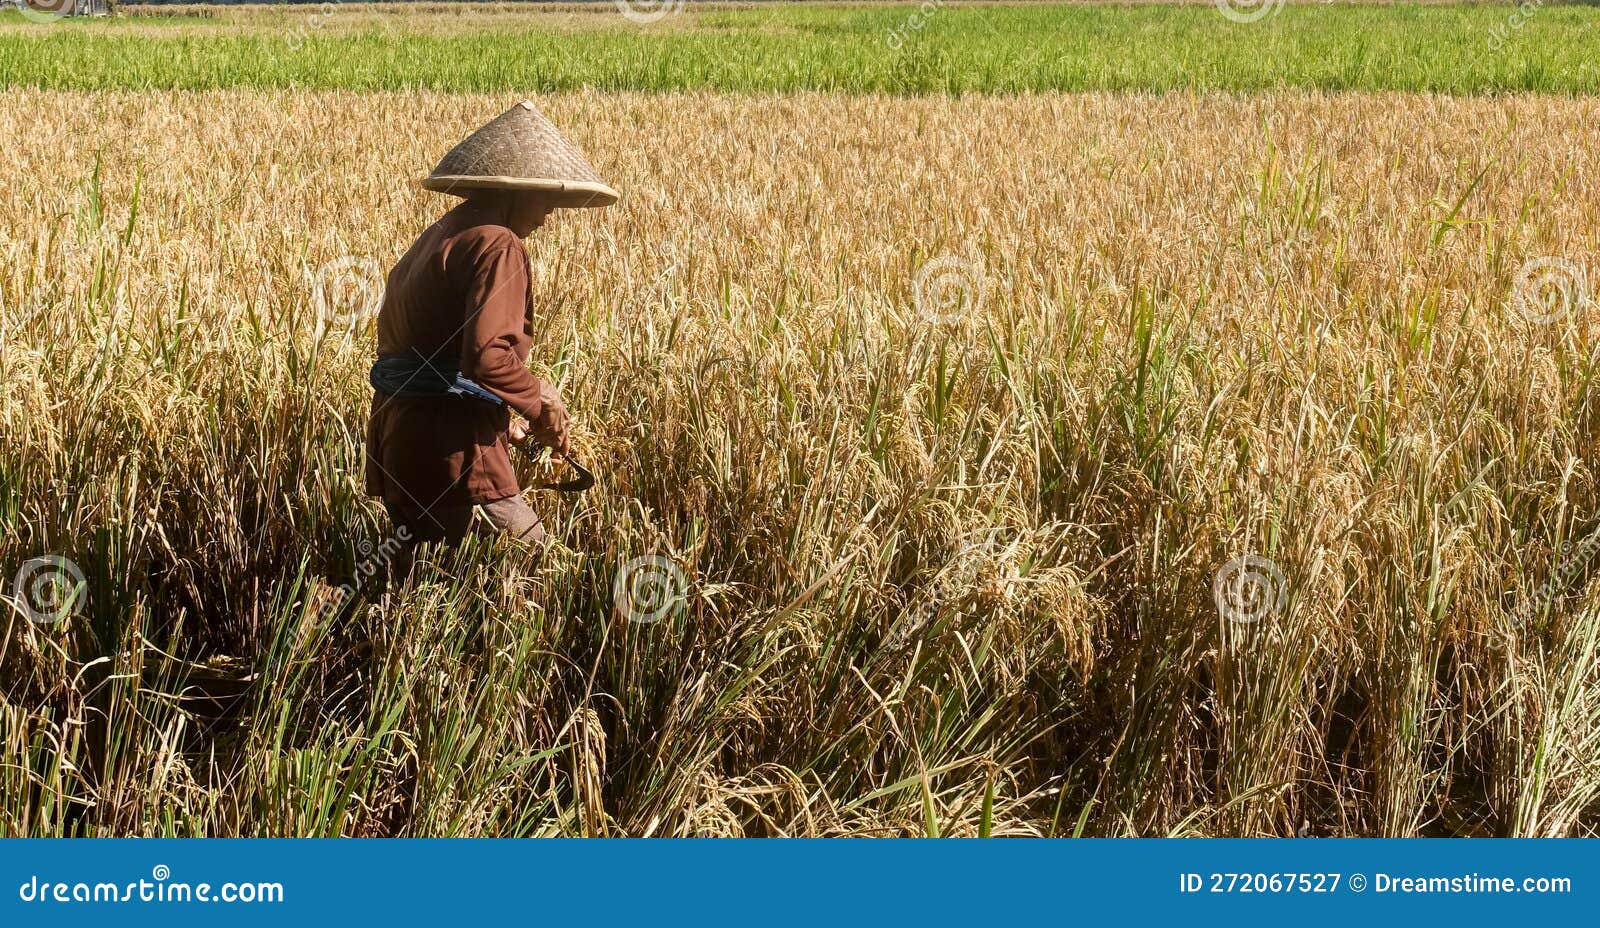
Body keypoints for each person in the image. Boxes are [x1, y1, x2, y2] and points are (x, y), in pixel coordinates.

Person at [364, 101, 619, 575]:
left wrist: (499, 409)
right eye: (545, 200)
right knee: (538, 565)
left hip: (401, 437)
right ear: (517, 192)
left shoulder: (445, 233)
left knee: (414, 579)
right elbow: (486, 356)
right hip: (453, 450)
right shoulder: (500, 244)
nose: (546, 216)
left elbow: (434, 353)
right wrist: (541, 401)